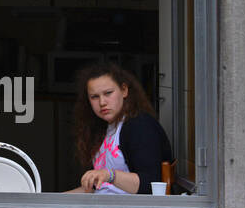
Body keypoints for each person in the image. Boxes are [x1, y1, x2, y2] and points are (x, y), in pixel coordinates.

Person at [65, 62, 172, 194]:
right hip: (102, 207)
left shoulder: (140, 126)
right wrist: (52, 201)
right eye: (94, 97)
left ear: (124, 90)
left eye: (108, 93)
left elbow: (150, 185)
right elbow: (94, 189)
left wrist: (110, 175)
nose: (102, 102)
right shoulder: (100, 128)